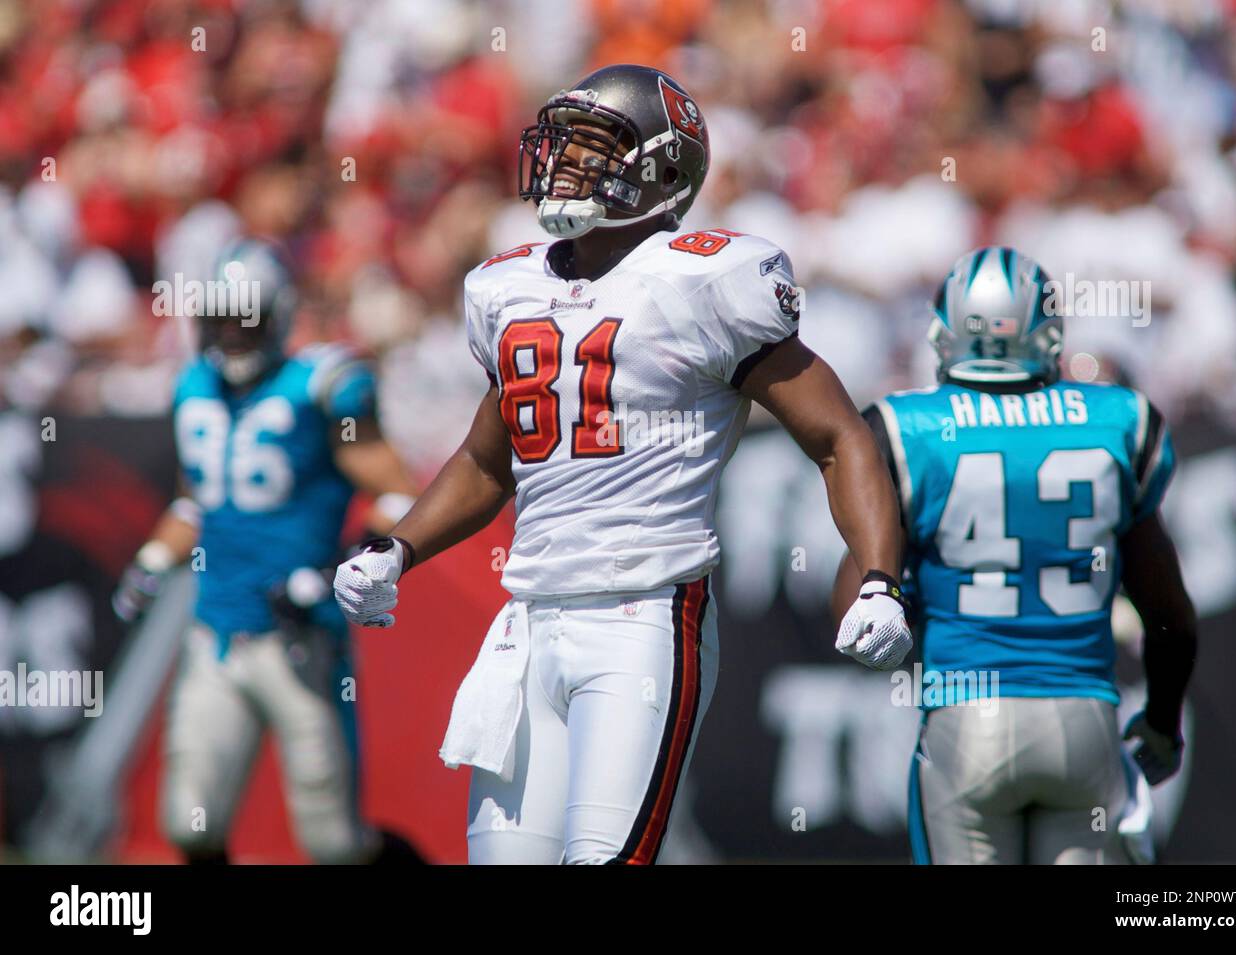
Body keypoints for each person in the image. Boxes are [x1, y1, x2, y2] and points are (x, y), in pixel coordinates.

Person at [333, 64, 910, 864]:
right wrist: (398, 548)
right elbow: (484, 458)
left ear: (664, 170)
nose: (564, 161)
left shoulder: (707, 279)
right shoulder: (507, 286)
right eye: (561, 142)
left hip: (644, 613)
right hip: (527, 621)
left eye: (593, 145)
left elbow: (841, 435)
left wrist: (879, 577)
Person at [833, 246, 1197, 864]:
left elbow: (853, 607)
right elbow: (1169, 614)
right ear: (1048, 333)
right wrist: (1162, 722)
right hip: (1085, 718)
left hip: (964, 714)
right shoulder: (1117, 419)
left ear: (944, 333)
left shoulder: (906, 427)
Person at [113, 238, 423, 864]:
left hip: (300, 638)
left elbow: (398, 497)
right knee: (191, 824)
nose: (230, 332)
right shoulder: (194, 387)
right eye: (220, 317)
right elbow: (193, 504)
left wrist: (332, 572)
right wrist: (151, 560)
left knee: (334, 844)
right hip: (216, 634)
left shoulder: (321, 388)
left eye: (244, 317)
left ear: (276, 317)